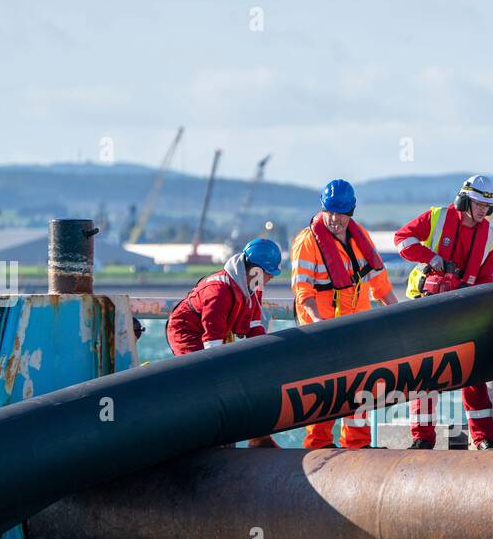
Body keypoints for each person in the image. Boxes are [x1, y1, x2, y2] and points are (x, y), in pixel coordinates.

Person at [394, 174, 493, 449]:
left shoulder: (492, 238)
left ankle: (483, 439)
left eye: (486, 206)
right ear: (464, 199)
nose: (482, 211)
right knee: (425, 376)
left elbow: (488, 279)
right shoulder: (437, 217)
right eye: (478, 204)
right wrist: (431, 258)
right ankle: (422, 438)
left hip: (463, 311)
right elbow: (402, 239)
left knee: (473, 376)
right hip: (426, 307)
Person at [290, 179, 399, 449]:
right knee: (324, 389)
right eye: (330, 212)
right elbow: (303, 290)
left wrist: (397, 314)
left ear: (351, 212)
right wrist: (317, 324)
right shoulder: (308, 242)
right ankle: (318, 446)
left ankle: (358, 444)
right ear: (323, 209)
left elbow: (379, 281)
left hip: (357, 327)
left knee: (360, 386)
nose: (335, 219)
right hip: (324, 329)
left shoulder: (359, 235)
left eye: (341, 213)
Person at [167, 237, 281, 447]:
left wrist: (262, 360)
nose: (270, 279)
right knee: (203, 379)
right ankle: (204, 439)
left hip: (215, 332)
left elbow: (254, 324)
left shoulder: (253, 288)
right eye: (268, 274)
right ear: (255, 270)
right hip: (187, 331)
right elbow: (212, 341)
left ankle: (258, 437)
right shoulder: (218, 291)